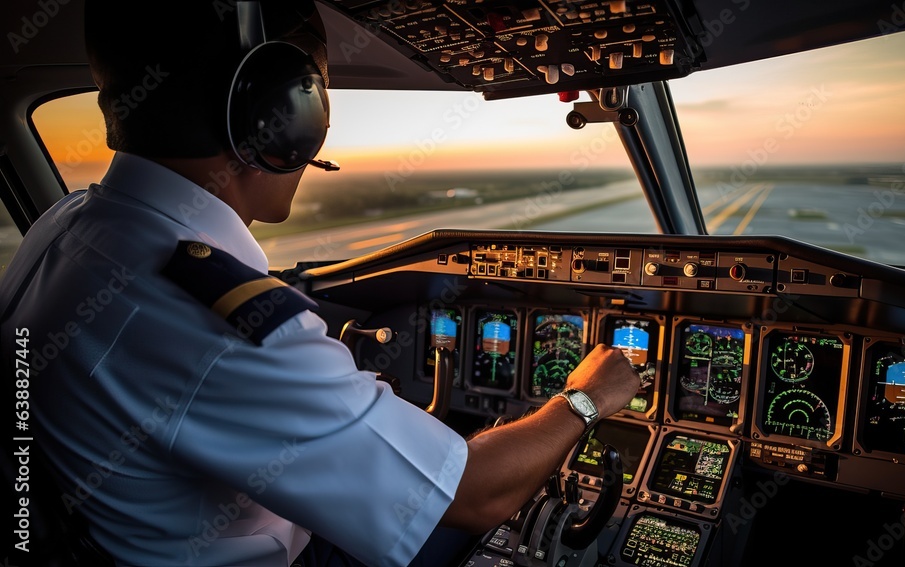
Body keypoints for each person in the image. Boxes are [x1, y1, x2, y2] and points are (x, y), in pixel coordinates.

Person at [0, 1, 641, 566]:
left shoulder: (67, 227)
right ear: (278, 117)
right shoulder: (218, 323)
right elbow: (475, 495)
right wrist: (582, 400)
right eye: (314, 95)